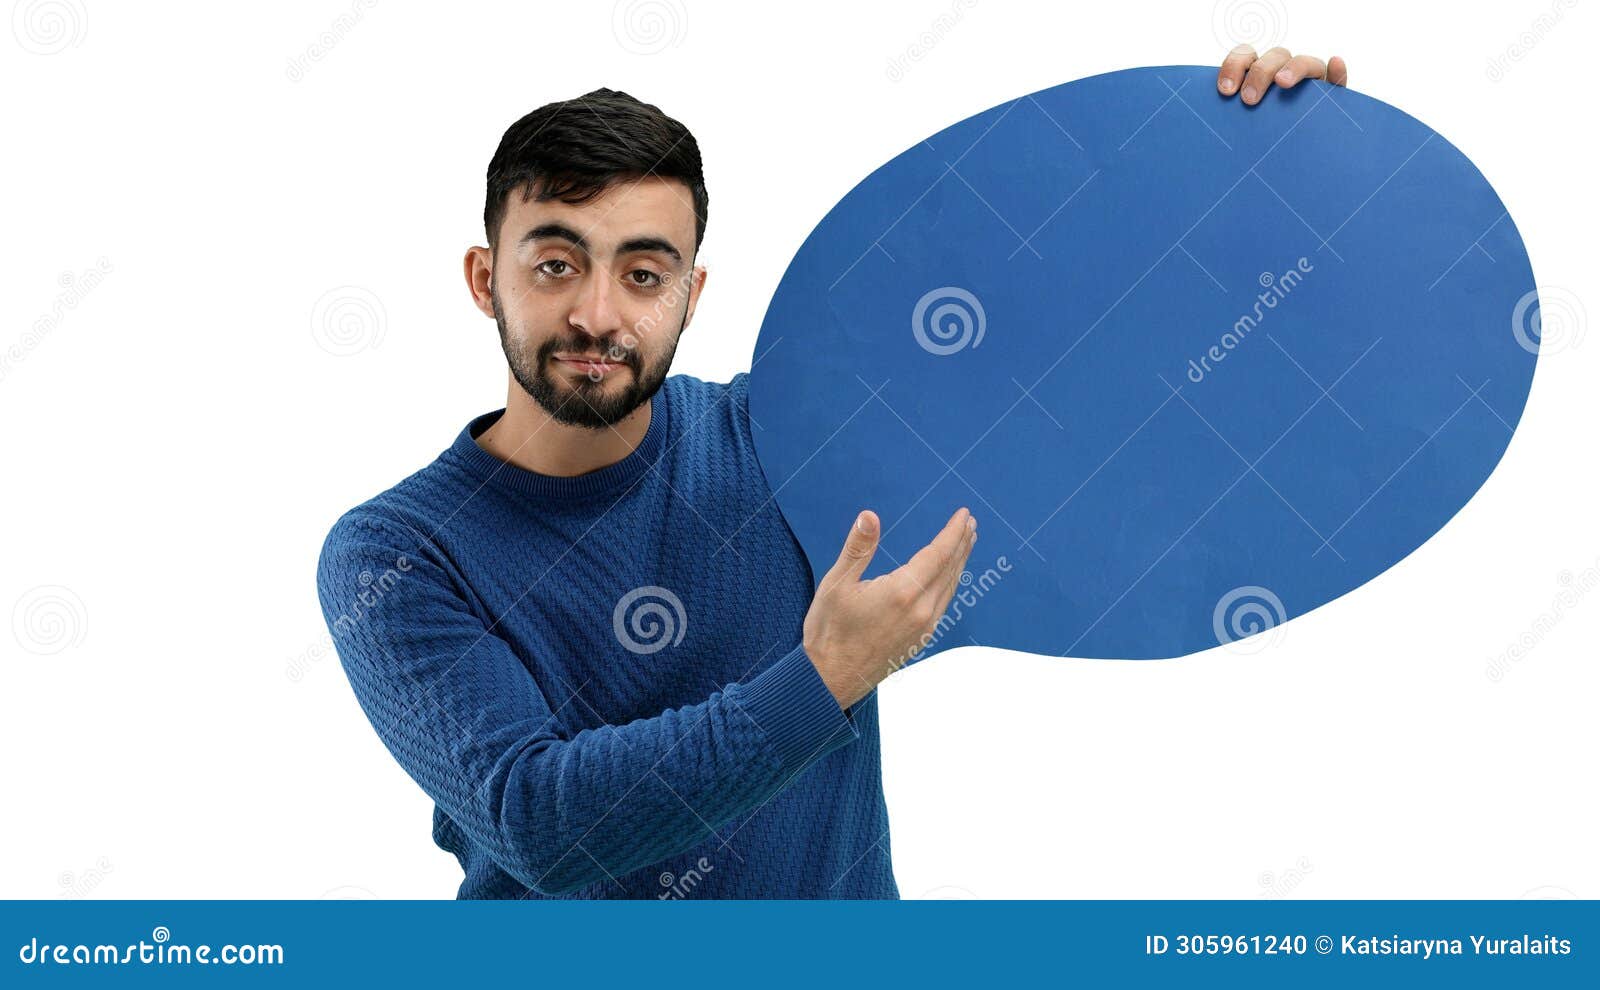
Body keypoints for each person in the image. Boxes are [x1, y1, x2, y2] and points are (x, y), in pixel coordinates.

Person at [316, 46, 1349, 899]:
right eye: (555, 263)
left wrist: (1263, 173)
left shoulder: (790, 435)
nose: (596, 313)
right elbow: (542, 824)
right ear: (484, 277)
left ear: (690, 292)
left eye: (642, 273)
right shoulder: (397, 556)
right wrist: (824, 681)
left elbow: (1088, 371)